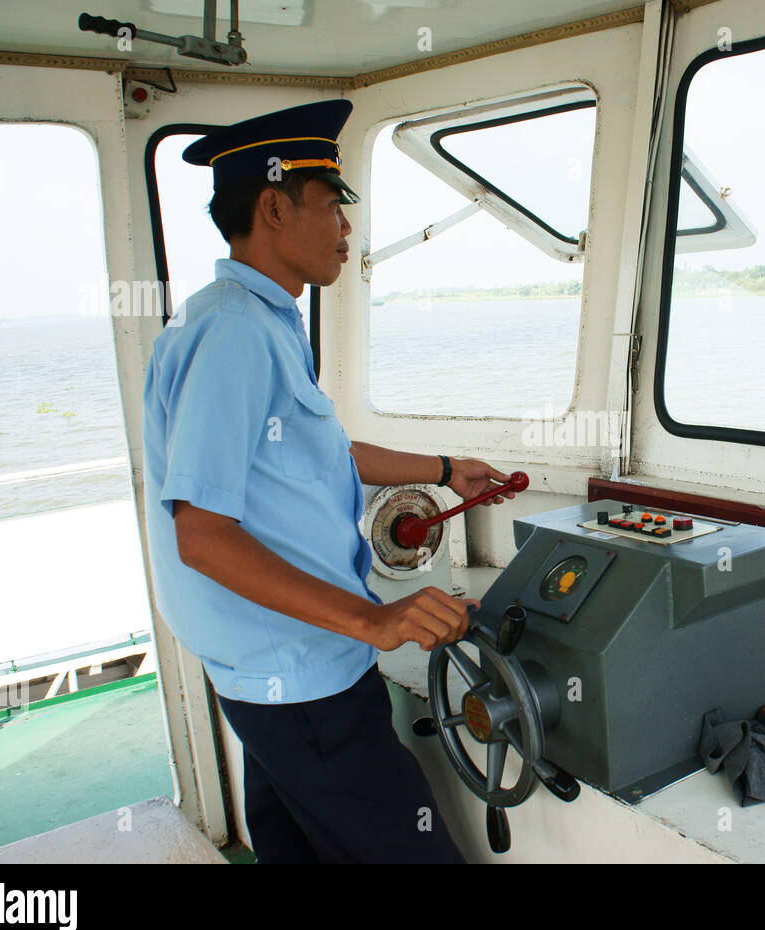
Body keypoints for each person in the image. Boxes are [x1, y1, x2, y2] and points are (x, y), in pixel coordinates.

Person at [142, 100, 508, 863]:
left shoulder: (253, 317)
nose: (348, 229)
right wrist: (373, 621)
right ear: (273, 207)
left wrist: (445, 470)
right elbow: (201, 533)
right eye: (333, 205)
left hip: (275, 673)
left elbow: (316, 449)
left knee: (297, 850)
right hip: (303, 680)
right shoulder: (237, 332)